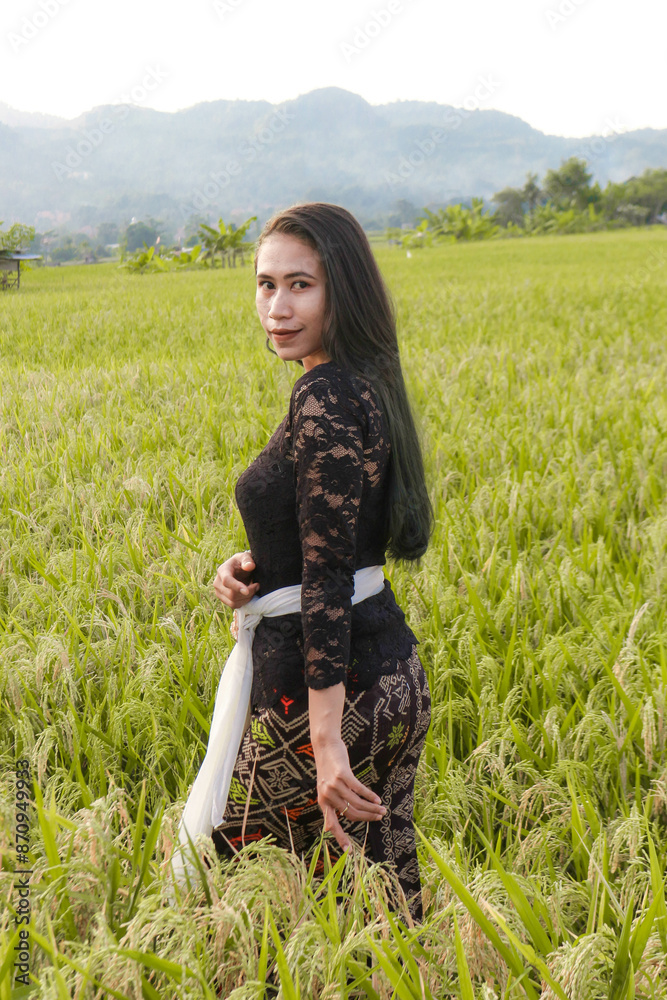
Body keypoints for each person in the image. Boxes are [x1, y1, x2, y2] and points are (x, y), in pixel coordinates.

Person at [210, 202, 433, 921]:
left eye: (299, 285)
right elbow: (333, 537)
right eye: (264, 284)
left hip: (328, 691)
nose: (276, 307)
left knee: (247, 888)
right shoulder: (364, 381)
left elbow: (329, 577)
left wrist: (324, 737)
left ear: (343, 289)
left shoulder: (324, 392)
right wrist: (257, 567)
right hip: (390, 674)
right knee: (382, 888)